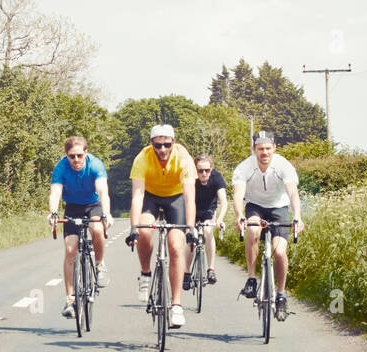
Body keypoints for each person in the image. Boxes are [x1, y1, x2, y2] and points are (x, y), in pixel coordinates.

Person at [126, 124, 197, 329]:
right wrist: (133, 227)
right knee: (144, 230)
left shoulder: (184, 158)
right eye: (158, 145)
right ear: (152, 144)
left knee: (176, 245)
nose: (163, 149)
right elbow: (138, 195)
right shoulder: (142, 158)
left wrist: (190, 228)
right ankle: (145, 273)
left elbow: (190, 197)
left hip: (176, 198)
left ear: (174, 143)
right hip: (151, 197)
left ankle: (176, 306)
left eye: (167, 144)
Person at [231, 131, 303, 320]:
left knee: (279, 252)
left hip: (279, 207)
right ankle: (252, 279)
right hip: (255, 207)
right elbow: (238, 194)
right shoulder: (245, 167)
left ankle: (281, 294)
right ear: (254, 149)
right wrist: (239, 216)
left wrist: (297, 216)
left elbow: (293, 193)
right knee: (253, 230)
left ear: (274, 149)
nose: (264, 152)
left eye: (268, 148)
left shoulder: (283, 165)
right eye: (261, 149)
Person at [49, 135, 112, 319]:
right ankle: (70, 300)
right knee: (70, 251)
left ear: (86, 152)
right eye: (71, 156)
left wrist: (106, 213)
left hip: (93, 205)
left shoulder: (95, 165)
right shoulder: (61, 167)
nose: (76, 160)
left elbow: (102, 191)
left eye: (79, 155)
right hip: (72, 207)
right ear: (66, 156)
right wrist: (53, 212)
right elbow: (55, 193)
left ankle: (99, 265)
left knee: (98, 229)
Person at [183, 154, 227, 289]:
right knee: (193, 238)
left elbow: (224, 201)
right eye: (200, 171)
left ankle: (211, 270)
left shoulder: (217, 177)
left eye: (206, 170)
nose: (203, 174)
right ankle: (186, 272)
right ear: (195, 170)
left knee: (208, 231)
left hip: (209, 211)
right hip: (192, 211)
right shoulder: (191, 179)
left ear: (211, 169)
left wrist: (219, 220)